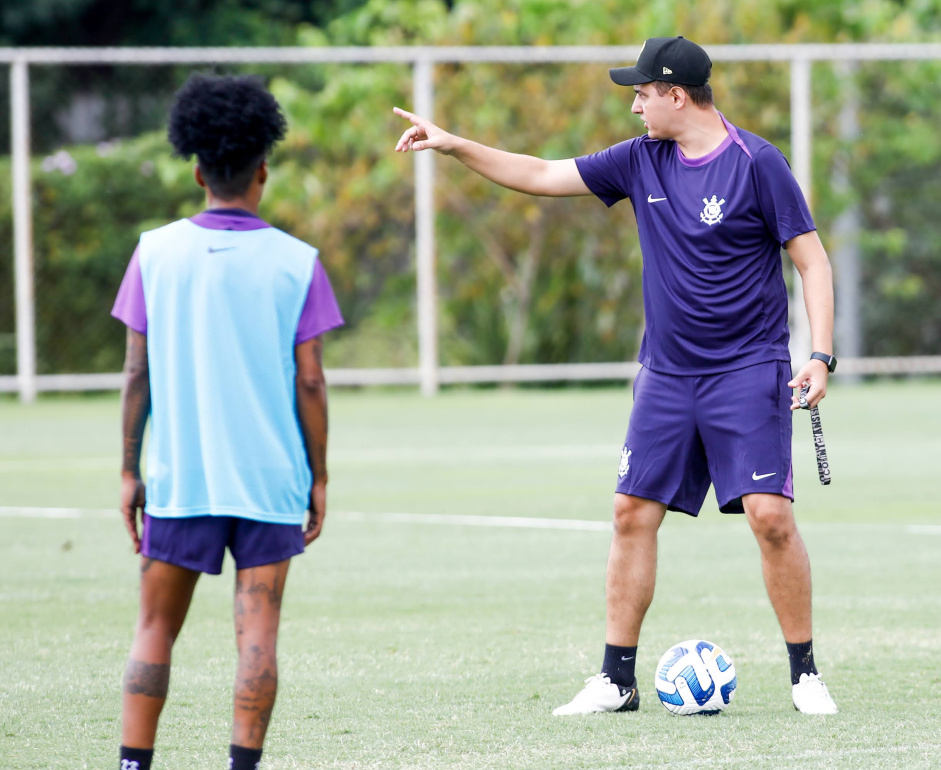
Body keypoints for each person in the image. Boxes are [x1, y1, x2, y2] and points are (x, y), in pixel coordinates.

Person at [394, 36, 838, 716]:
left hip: (747, 369)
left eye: (641, 92)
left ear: (676, 96)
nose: (633, 105)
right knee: (630, 512)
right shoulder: (638, 161)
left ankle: (804, 674)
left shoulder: (758, 164)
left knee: (769, 517)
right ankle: (615, 679)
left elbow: (812, 262)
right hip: (665, 375)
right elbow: (540, 175)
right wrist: (454, 144)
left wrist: (819, 354)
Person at [111, 73, 344, 770]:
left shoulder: (154, 253)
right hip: (269, 483)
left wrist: (128, 468)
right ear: (262, 170)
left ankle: (132, 763)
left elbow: (135, 375)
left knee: (154, 627)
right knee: (257, 634)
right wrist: (319, 476)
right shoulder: (297, 263)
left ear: (195, 170)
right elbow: (310, 379)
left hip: (182, 478)